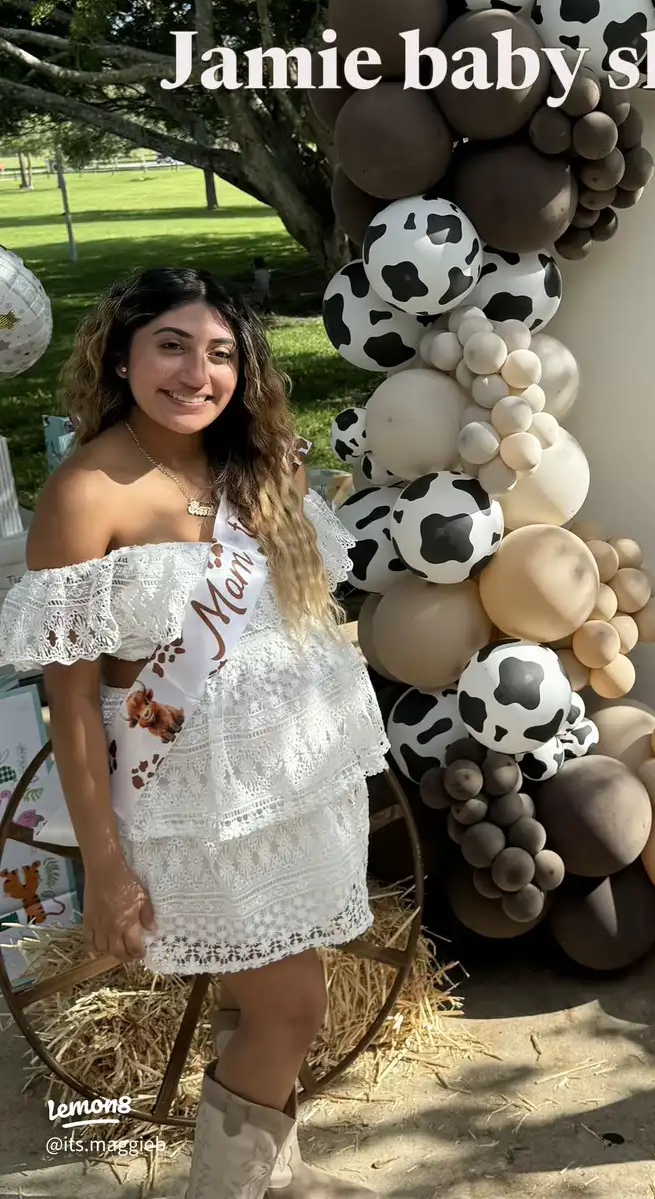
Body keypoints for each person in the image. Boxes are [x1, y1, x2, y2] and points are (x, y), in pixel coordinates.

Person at [0, 267, 387, 1197]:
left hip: (294, 787)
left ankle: (274, 1178)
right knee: (293, 1011)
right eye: (171, 345)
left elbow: (289, 617)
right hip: (184, 803)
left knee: (269, 1004)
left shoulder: (254, 467)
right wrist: (106, 864)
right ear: (123, 355)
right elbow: (74, 703)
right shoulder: (87, 492)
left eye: (219, 354)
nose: (195, 373)